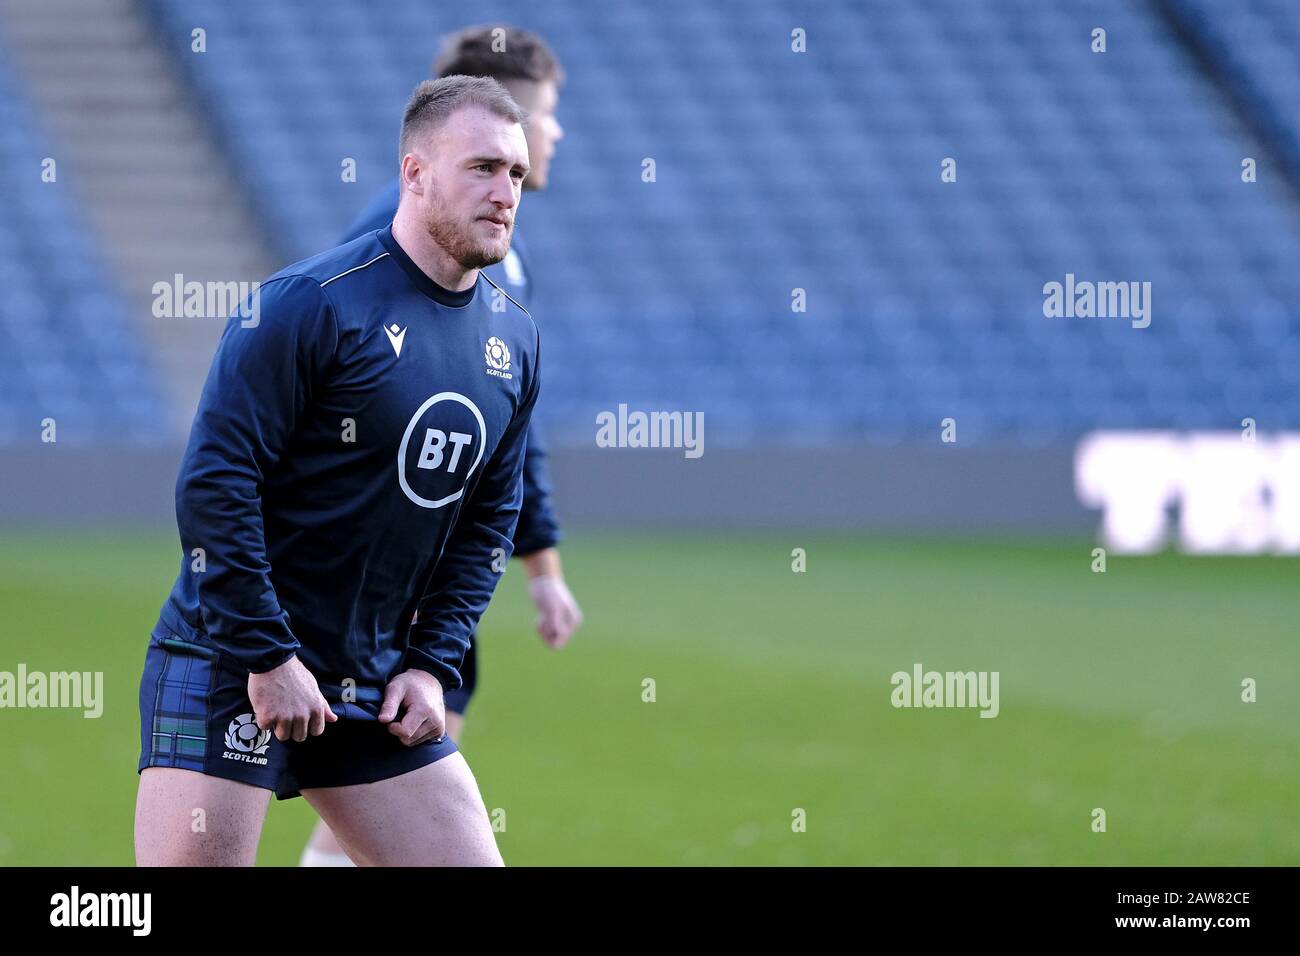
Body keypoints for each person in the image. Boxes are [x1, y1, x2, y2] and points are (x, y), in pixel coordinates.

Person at [135, 76, 537, 866]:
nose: (506, 193)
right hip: (231, 662)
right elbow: (216, 486)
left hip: (374, 685)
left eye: (517, 173)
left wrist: (432, 665)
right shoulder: (310, 304)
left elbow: (489, 519)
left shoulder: (514, 337)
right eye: (484, 168)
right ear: (415, 173)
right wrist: (267, 656)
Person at [301, 25, 581, 867]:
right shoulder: (403, 243)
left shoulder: (498, 256)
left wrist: (541, 564)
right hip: (389, 561)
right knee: (389, 776)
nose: (555, 132)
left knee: (382, 785)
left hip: (426, 553)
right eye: (545, 112)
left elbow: (503, 429)